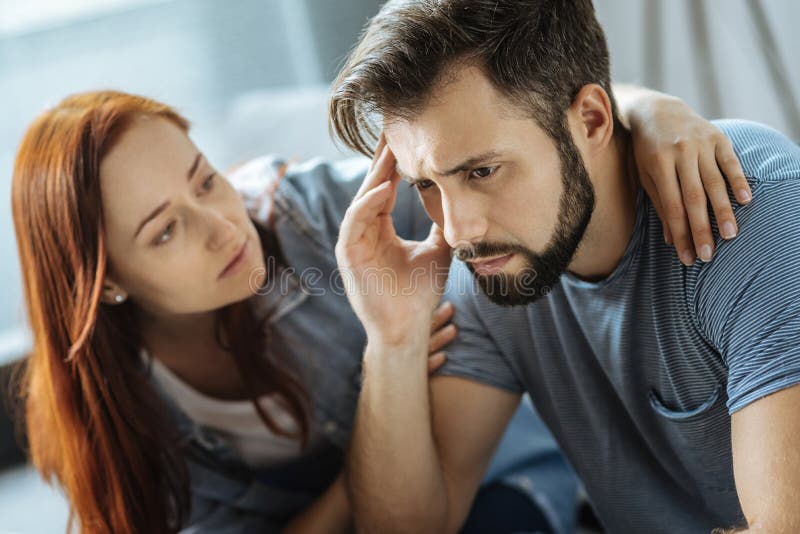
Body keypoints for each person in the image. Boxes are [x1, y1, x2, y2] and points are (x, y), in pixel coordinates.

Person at [12, 85, 737, 533]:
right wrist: (382, 396)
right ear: (107, 283)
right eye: (165, 231)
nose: (221, 227)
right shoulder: (119, 414)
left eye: (205, 181)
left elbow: (514, 130)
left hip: (504, 484)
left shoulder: (316, 217)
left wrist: (649, 109)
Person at [329, 1, 800, 533]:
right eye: (427, 185)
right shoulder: (493, 264)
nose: (459, 231)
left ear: (592, 120)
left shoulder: (751, 213)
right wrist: (391, 340)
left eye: (483, 171)